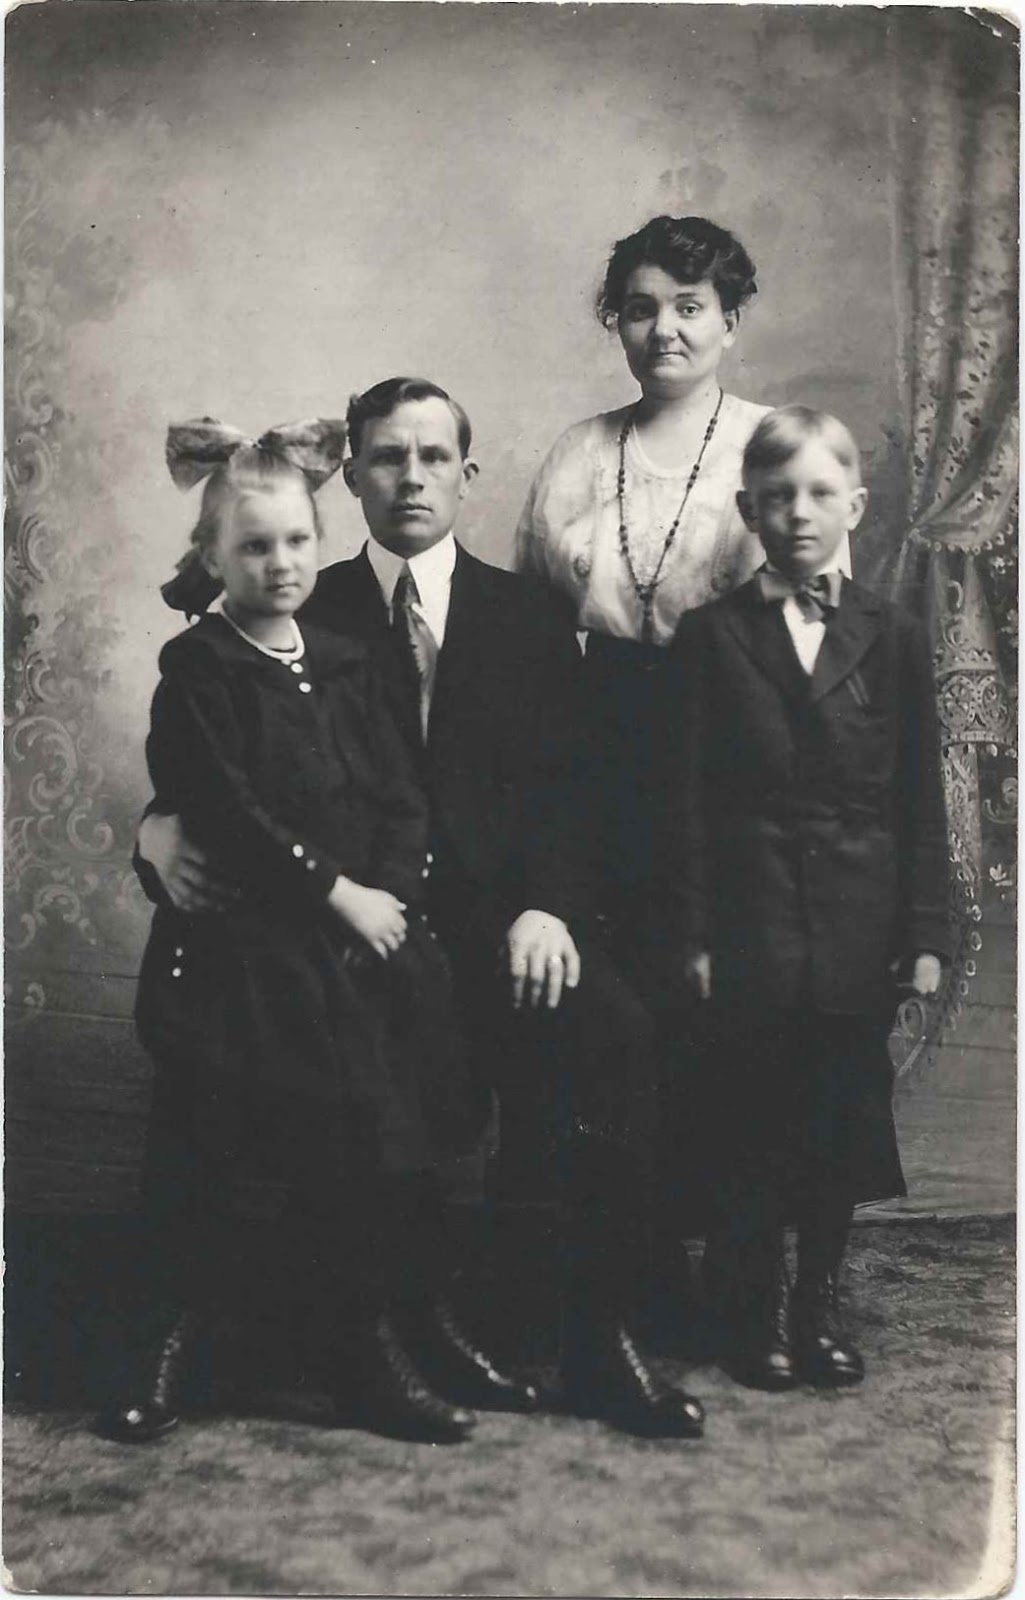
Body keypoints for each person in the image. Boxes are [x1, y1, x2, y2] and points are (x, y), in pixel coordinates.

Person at [135, 379, 705, 1440]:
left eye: (433, 457)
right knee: (269, 1048)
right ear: (347, 475)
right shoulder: (298, 593)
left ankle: (596, 1335)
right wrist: (152, 828)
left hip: (494, 931)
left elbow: (573, 793)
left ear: (465, 475)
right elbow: (223, 754)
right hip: (352, 934)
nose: (410, 478)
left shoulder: (531, 617)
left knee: (613, 1030)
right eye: (386, 457)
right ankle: (324, 1324)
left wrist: (547, 908)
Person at [103, 419, 501, 1447]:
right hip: (247, 943)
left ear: (314, 538)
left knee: (369, 1139)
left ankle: (363, 1344)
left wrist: (387, 889)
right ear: (211, 560)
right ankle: (164, 1342)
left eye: (292, 543)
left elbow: (396, 789)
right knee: (204, 1145)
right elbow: (226, 811)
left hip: (355, 937)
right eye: (251, 547)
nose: (278, 564)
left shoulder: (345, 656)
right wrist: (334, 895)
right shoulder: (198, 668)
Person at [514, 214, 848, 1301]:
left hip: (731, 747)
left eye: (689, 306)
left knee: (721, 996)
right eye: (641, 306)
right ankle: (626, 1258)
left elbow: (809, 636)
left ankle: (740, 1268)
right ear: (617, 319)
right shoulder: (577, 451)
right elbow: (530, 626)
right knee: (616, 1006)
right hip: (590, 744)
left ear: (731, 321)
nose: (664, 329)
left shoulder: (770, 450)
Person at [654, 405, 949, 1389]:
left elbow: (917, 794)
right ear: (746, 508)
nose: (797, 513)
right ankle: (757, 1304)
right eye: (775, 496)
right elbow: (687, 799)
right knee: (749, 1119)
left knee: (835, 1118)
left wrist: (921, 928)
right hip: (748, 921)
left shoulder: (893, 634)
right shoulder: (709, 636)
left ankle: (815, 1298)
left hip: (856, 923)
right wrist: (692, 933)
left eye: (820, 492)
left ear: (854, 505)